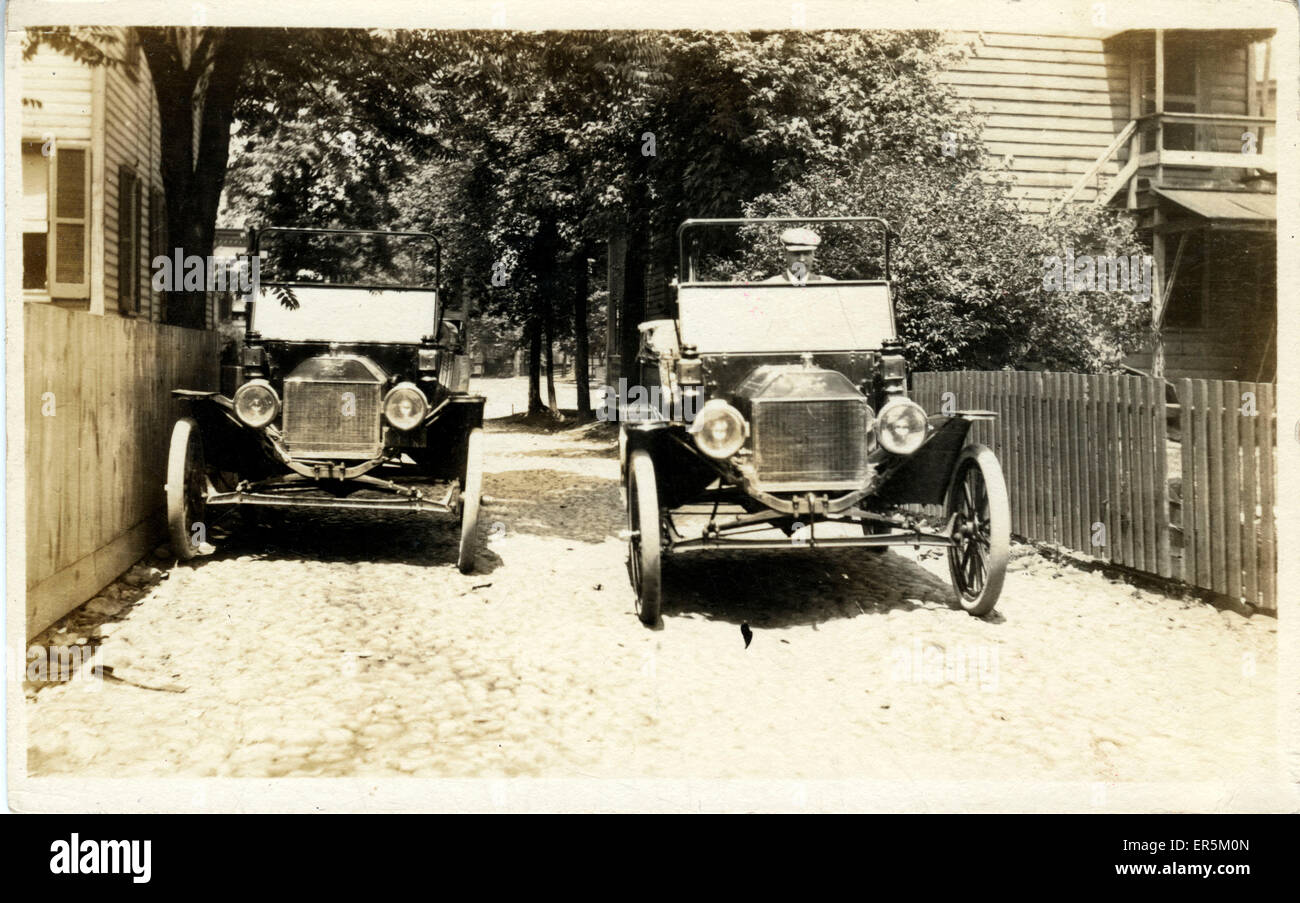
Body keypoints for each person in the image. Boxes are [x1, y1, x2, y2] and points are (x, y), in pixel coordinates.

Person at [763, 227, 836, 284]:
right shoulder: (769, 286)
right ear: (785, 253)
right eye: (796, 253)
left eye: (807, 253)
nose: (802, 259)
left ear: (813, 254)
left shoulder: (828, 285)